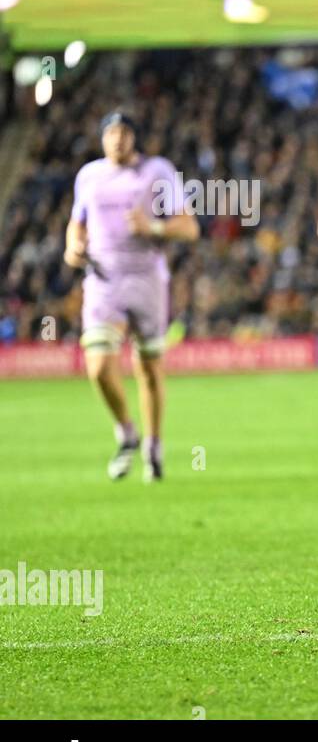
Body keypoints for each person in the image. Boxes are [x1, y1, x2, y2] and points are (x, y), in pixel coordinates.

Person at [64, 111, 199, 482]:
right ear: (102, 138)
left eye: (125, 132)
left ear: (135, 138)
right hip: (103, 279)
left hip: (146, 278)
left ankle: (153, 446)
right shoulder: (88, 176)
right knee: (98, 366)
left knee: (150, 367)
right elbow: (76, 222)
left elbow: (189, 227)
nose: (118, 139)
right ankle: (126, 430)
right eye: (111, 132)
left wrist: (152, 225)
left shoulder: (158, 171)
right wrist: (72, 245)